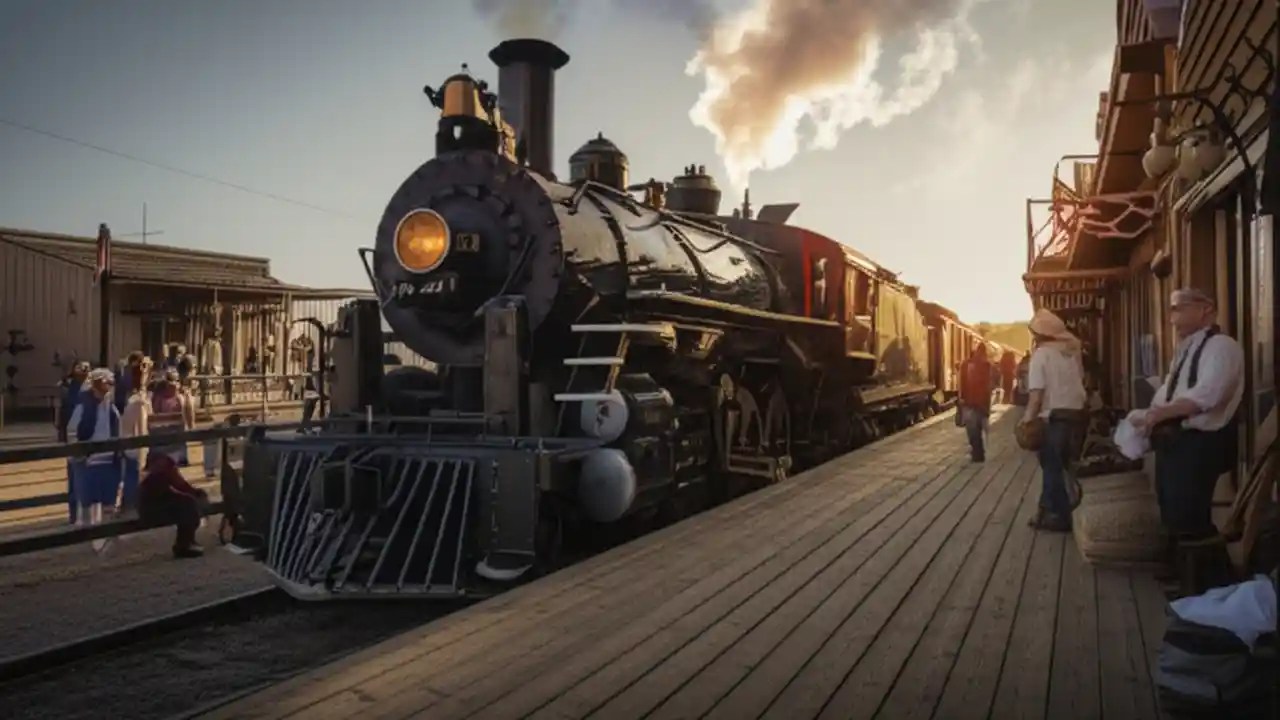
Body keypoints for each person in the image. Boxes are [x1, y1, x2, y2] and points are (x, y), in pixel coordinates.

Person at [1132, 288, 1243, 585]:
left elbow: (1208, 394)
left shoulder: (1223, 347)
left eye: (1178, 310)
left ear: (1205, 309)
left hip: (1204, 442)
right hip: (1178, 440)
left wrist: (1161, 414)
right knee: (1170, 506)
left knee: (1189, 513)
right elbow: (1171, 390)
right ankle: (1183, 574)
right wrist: (1148, 414)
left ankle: (1214, 582)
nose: (1172, 319)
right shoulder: (1186, 349)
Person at [1020, 309, 1088, 532]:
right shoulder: (1071, 352)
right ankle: (1049, 509)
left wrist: (1026, 421)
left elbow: (1036, 395)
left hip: (1054, 417)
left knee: (1051, 466)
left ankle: (1059, 515)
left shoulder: (1042, 355)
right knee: (1066, 466)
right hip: (1077, 416)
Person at [65, 368, 122, 528]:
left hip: (108, 462)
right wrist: (79, 455)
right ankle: (84, 532)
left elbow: (117, 434)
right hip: (88, 462)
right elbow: (72, 432)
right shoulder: (83, 407)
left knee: (108, 502)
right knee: (86, 502)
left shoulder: (111, 410)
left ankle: (106, 537)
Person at [139, 452, 206, 559]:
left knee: (187, 503)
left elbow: (178, 486)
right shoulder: (164, 465)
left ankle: (186, 542)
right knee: (187, 505)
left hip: (151, 505)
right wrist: (195, 493)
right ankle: (184, 544)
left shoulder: (159, 465)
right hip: (153, 508)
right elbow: (179, 484)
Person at [56, 361, 90, 524]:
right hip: (74, 438)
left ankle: (80, 514)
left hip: (86, 437)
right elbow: (62, 412)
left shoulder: (90, 389)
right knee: (74, 476)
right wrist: (62, 434)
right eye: (81, 369)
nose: (84, 372)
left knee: (83, 477)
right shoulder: (69, 389)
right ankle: (74, 515)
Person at [118, 361, 151, 515]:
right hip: (133, 438)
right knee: (133, 473)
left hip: (138, 437)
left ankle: (130, 503)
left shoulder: (140, 397)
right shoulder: (135, 398)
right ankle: (130, 506)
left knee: (135, 472)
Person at [150, 369, 195, 466]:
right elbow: (188, 410)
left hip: (161, 427)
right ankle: (182, 458)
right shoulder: (181, 394)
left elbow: (155, 409)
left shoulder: (158, 393)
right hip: (178, 425)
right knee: (181, 438)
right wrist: (191, 424)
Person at [958, 345, 995, 462]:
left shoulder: (965, 365)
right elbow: (990, 386)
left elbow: (961, 384)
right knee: (979, 427)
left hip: (969, 402)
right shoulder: (987, 365)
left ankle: (977, 453)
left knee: (972, 430)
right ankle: (979, 453)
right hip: (982, 403)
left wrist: (961, 398)